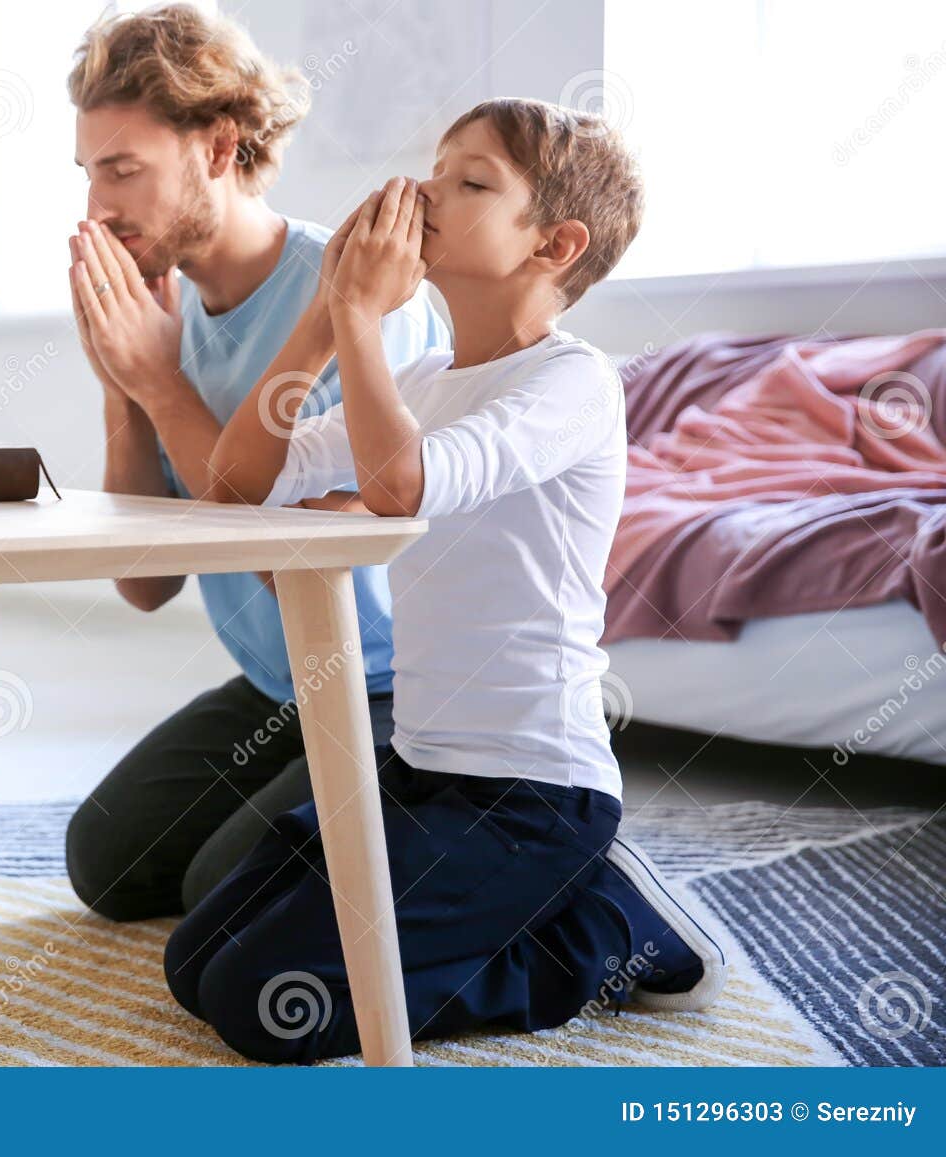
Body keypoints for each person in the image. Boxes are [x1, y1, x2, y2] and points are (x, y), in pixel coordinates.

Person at [173, 97, 728, 1064]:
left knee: (265, 1006)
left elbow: (400, 484)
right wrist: (320, 316)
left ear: (555, 243)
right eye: (436, 168)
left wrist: (354, 312)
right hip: (419, 771)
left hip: (532, 793)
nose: (428, 191)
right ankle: (571, 900)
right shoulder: (423, 377)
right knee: (196, 961)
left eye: (471, 182)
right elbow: (232, 486)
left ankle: (603, 931)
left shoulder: (571, 385)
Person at [62, 3, 450, 921]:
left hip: (398, 685)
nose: (97, 207)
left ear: (219, 148)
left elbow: (303, 565)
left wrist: (162, 386)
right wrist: (122, 380)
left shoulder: (350, 297)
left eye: (123, 170)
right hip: (285, 687)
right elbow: (145, 587)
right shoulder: (169, 320)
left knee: (222, 897)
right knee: (108, 862)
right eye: (87, 173)